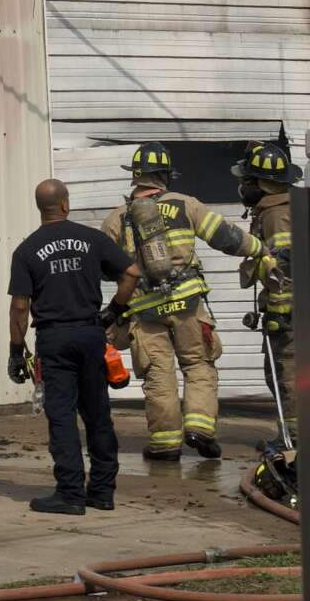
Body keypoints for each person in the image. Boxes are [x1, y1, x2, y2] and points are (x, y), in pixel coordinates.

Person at [101, 142, 269, 460]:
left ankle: (165, 443)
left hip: (145, 311)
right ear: (165, 175)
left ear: (135, 177)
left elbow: (108, 271)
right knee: (198, 364)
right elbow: (227, 238)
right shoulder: (186, 205)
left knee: (158, 373)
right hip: (188, 306)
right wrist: (260, 248)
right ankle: (200, 429)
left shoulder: (116, 219)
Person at [8, 179, 139, 514]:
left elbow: (21, 306)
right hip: (91, 333)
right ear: (65, 204)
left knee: (62, 415)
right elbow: (132, 273)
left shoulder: (26, 250)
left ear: (41, 207)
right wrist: (115, 311)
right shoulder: (92, 238)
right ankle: (102, 492)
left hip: (54, 339)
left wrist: (15, 350)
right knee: (97, 414)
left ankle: (69, 494)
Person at [235, 139, 299, 443]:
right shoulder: (285, 208)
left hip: (291, 315)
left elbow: (286, 268)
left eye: (249, 180)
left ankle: (295, 442)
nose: (245, 186)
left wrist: (280, 310)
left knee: (288, 376)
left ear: (264, 183)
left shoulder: (276, 216)